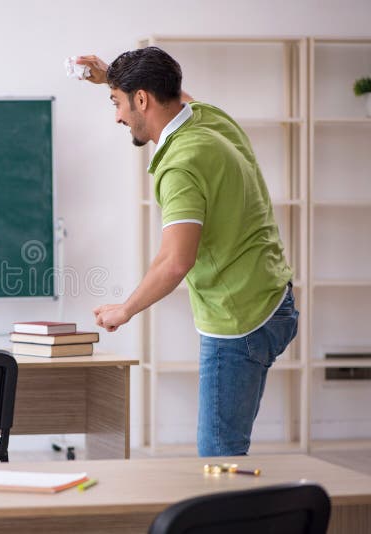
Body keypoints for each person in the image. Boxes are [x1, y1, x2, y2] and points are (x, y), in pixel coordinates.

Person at [76, 48, 299, 456]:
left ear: (142, 98)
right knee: (226, 450)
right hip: (275, 295)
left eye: (118, 103)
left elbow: (176, 260)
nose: (117, 117)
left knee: (218, 455)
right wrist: (112, 77)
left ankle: (233, 518)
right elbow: (174, 96)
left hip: (238, 319)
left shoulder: (180, 165)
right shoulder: (209, 118)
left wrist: (123, 310)